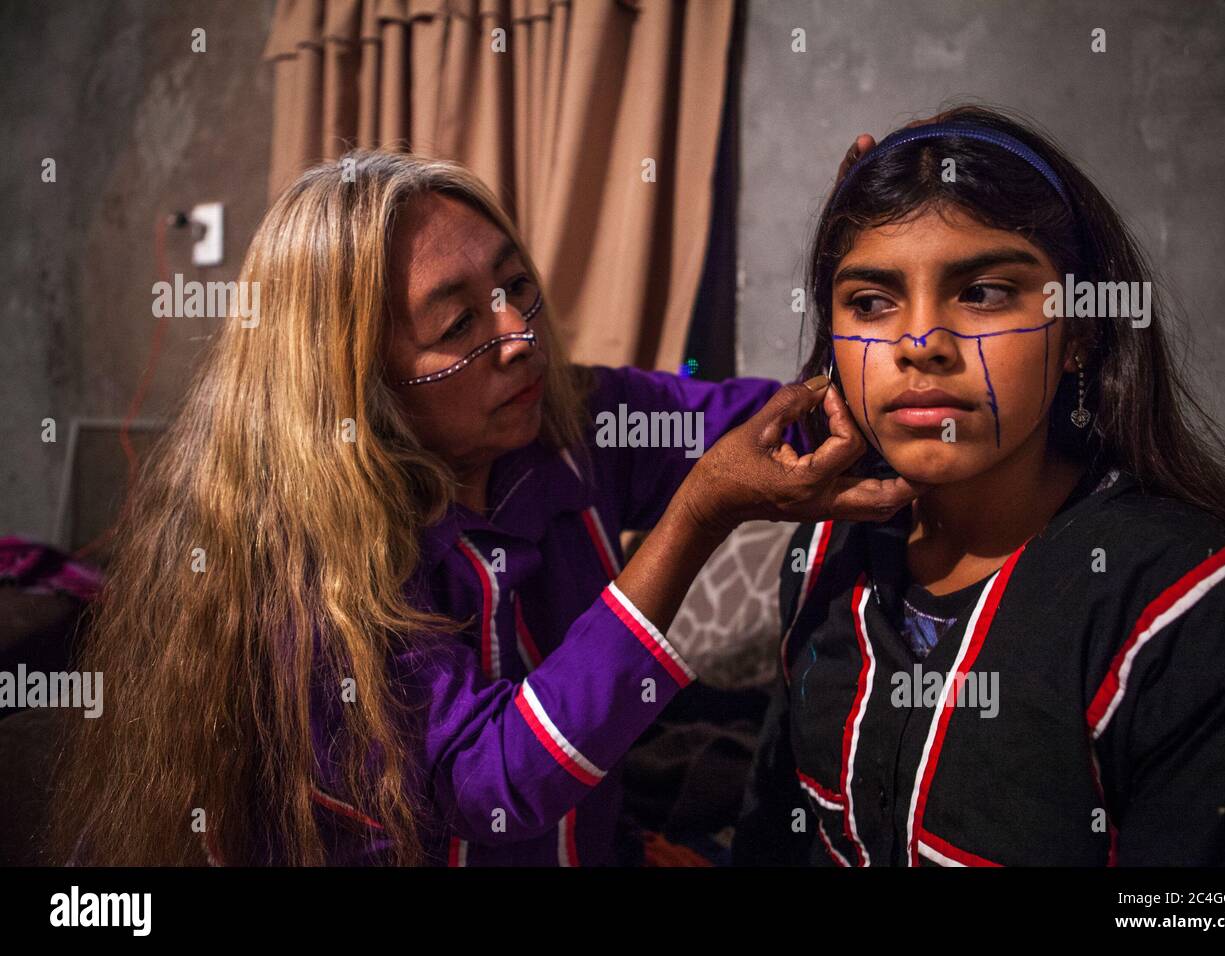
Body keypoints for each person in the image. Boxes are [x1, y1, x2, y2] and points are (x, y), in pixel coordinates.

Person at [48, 149, 918, 866]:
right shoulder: (307, 568)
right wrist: (697, 516)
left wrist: (870, 293)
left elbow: (773, 433)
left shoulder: (574, 424)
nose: (518, 336)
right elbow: (494, 783)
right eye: (458, 326)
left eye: (513, 285)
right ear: (359, 379)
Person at [733, 106, 1225, 867]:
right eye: (870, 302)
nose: (921, 343)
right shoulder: (828, 551)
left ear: (1082, 334)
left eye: (985, 293)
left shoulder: (1198, 610)